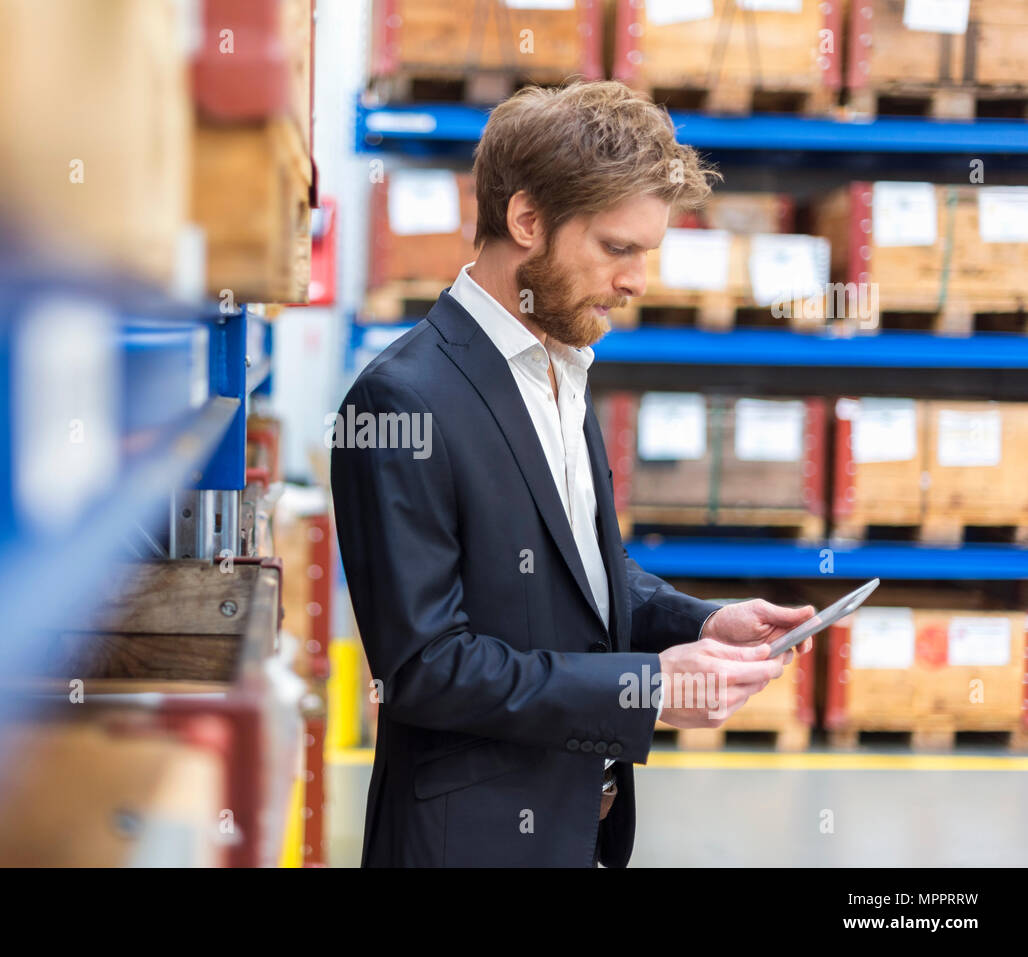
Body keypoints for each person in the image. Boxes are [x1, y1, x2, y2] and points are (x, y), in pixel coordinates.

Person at [330, 80, 814, 868]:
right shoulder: (400, 399)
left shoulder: (559, 366)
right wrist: (643, 688)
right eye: (617, 249)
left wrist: (697, 621)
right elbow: (425, 668)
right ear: (526, 220)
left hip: (579, 827)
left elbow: (580, 570)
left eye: (645, 254)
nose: (636, 283)